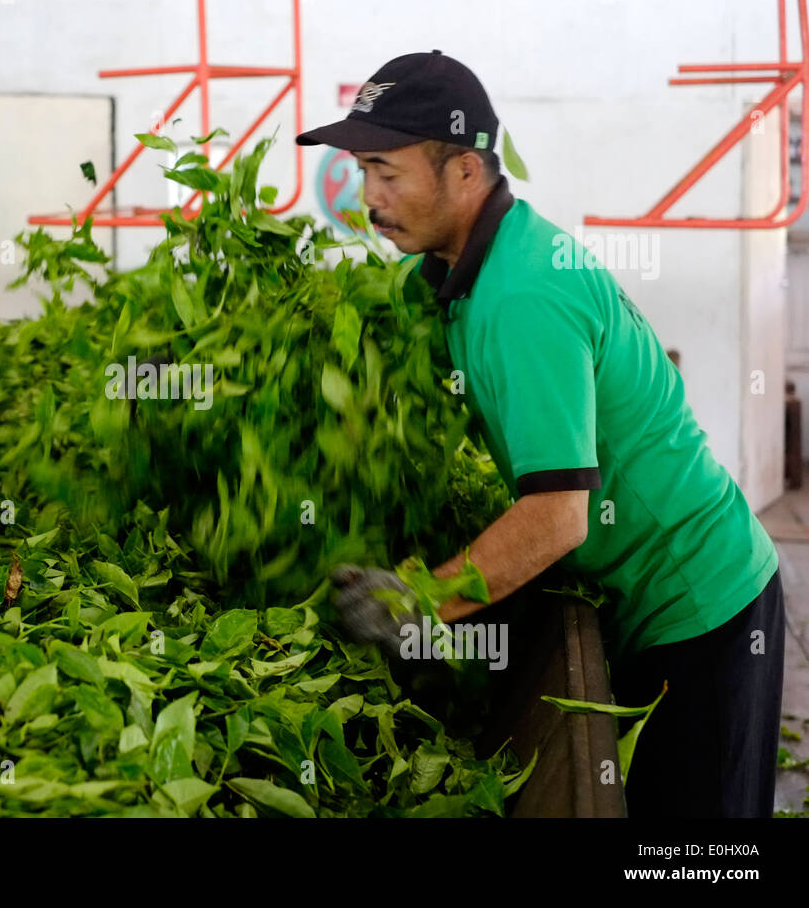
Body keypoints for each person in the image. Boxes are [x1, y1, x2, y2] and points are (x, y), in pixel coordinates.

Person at [300, 50, 785, 817]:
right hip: (643, 599)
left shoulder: (524, 296)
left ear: (464, 169)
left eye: (387, 172)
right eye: (361, 171)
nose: (369, 197)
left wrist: (420, 599)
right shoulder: (453, 273)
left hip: (702, 605)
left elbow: (559, 516)